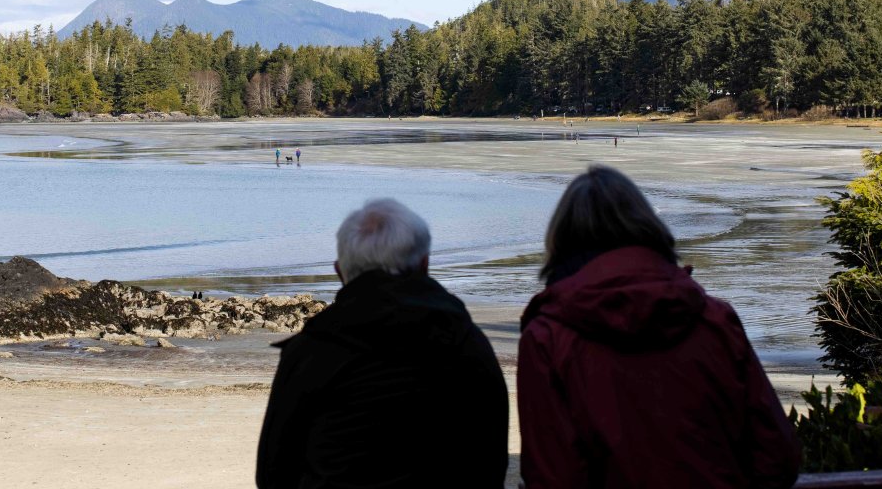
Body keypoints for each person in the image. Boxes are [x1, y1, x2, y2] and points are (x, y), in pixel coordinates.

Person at [518, 165, 800, 489]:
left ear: (560, 241)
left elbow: (553, 477)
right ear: (648, 228)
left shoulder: (547, 339)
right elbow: (776, 456)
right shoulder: (715, 320)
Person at [257, 198, 508, 488]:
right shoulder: (466, 342)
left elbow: (273, 474)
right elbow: (492, 462)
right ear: (424, 264)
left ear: (340, 272)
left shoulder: (311, 352)